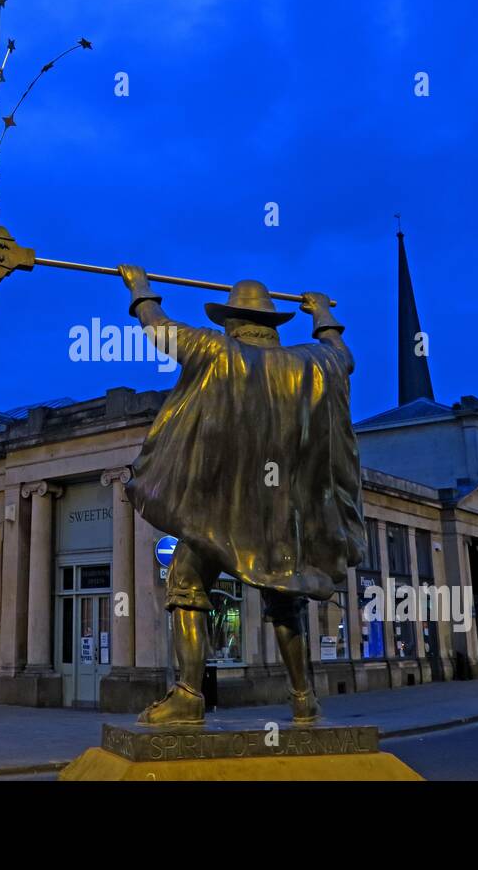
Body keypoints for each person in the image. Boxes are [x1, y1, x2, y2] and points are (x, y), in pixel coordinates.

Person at [119, 265, 366, 726]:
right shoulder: (315, 362)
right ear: (272, 326)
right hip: (282, 513)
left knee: (186, 586)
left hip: (217, 508)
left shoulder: (216, 351)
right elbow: (342, 353)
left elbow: (160, 329)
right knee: (284, 595)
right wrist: (323, 313)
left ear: (230, 321)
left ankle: (189, 695)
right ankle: (303, 698)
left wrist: (140, 289)